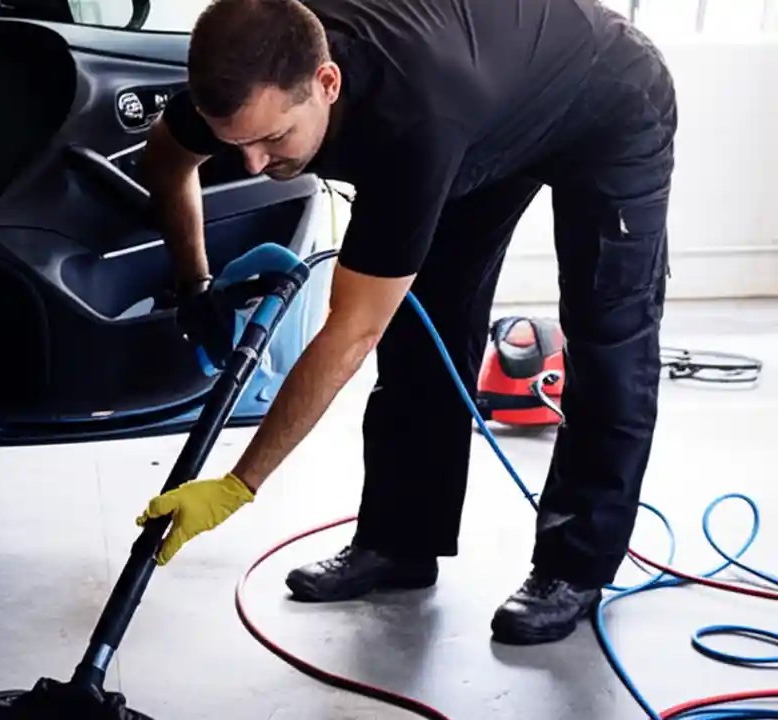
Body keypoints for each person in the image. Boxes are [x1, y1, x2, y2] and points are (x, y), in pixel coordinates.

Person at [134, 0, 675, 646]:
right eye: (235, 144)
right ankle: (400, 542)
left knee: (608, 336)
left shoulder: (411, 123)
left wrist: (235, 486)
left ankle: (576, 567)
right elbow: (167, 160)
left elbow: (350, 332)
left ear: (326, 84)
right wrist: (195, 285)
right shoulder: (242, 79)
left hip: (608, 101)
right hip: (491, 107)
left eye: (273, 139)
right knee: (427, 325)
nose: (253, 165)